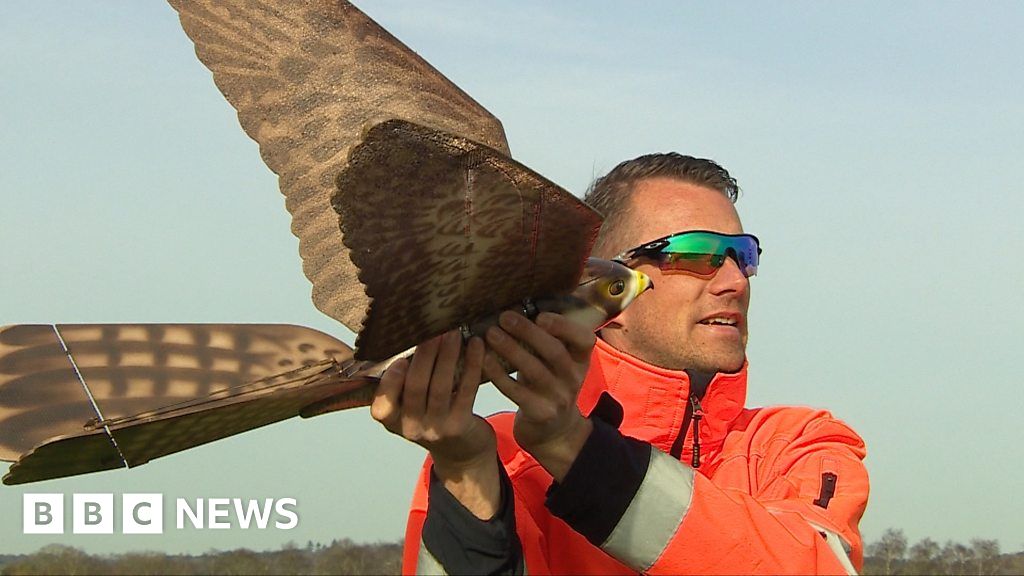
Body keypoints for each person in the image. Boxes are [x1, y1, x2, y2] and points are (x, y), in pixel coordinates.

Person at [371, 153, 869, 575]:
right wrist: (465, 473)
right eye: (696, 254)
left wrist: (572, 446)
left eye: (744, 255)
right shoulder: (497, 454)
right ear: (606, 288)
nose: (736, 282)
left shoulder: (798, 445)